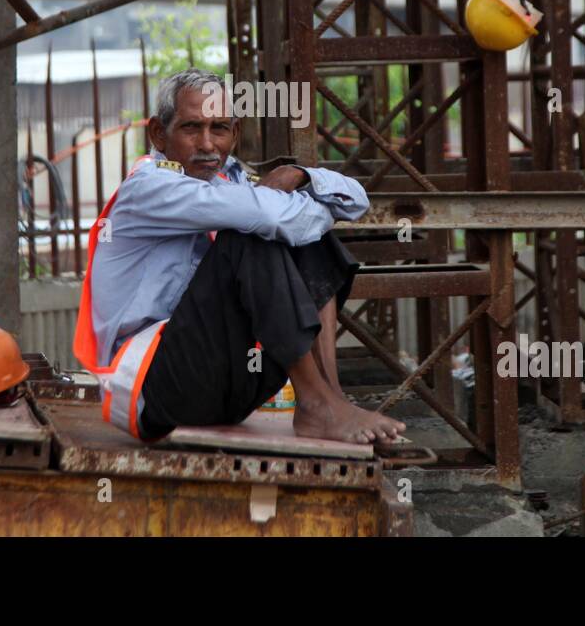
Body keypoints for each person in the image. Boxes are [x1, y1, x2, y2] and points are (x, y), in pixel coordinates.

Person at [74, 67, 406, 446]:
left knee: (300, 234)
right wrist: (293, 209)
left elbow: (356, 200)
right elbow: (266, 216)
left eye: (219, 128)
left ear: (235, 133)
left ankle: (328, 397)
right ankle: (318, 401)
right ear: (157, 134)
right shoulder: (150, 186)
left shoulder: (228, 184)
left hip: (226, 386)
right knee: (256, 233)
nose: (207, 144)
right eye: (190, 128)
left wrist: (300, 176)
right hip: (156, 394)